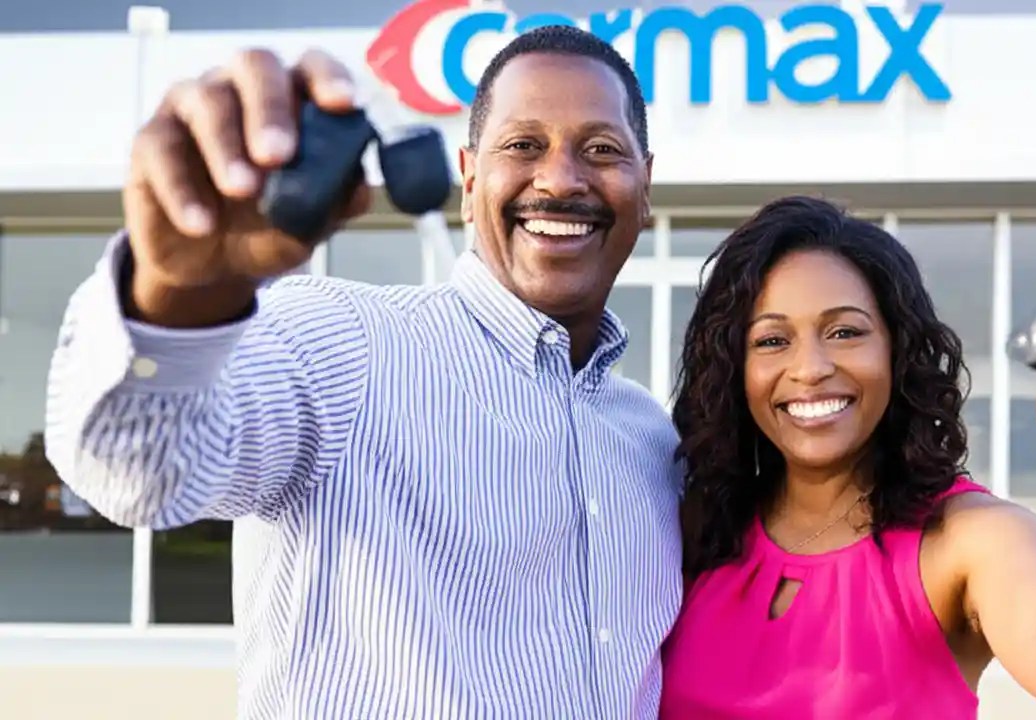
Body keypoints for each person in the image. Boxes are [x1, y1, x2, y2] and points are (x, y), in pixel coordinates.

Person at [44, 26, 683, 719]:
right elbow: (139, 469)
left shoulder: (650, 440)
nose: (560, 178)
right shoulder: (346, 347)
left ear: (643, 185)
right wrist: (181, 292)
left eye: (601, 150)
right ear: (469, 182)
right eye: (523, 145)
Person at [660, 196, 1036, 719]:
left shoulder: (969, 539)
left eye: (845, 332)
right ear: (734, 369)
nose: (810, 368)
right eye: (772, 340)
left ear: (898, 351)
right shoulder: (693, 530)